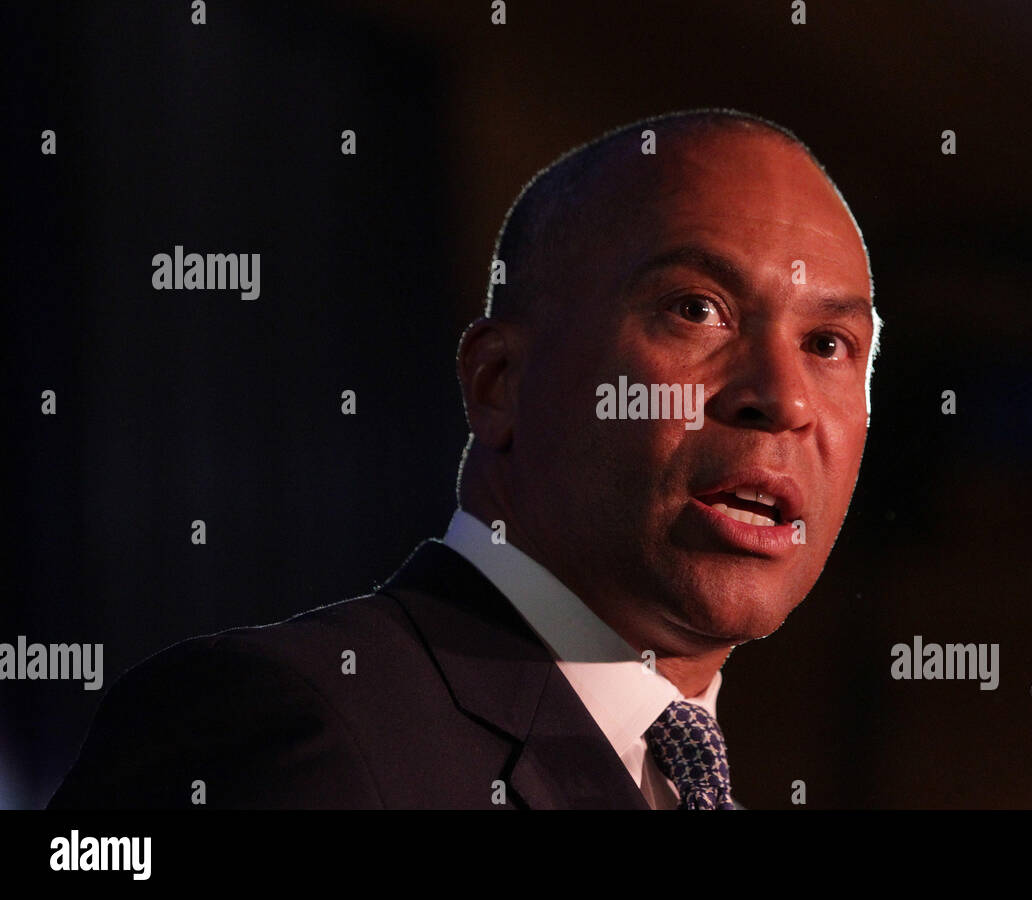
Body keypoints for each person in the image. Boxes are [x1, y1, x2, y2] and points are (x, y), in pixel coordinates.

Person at [47, 108, 883, 810]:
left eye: (829, 343)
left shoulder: (686, 779)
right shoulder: (291, 726)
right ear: (498, 383)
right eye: (697, 309)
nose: (785, 397)